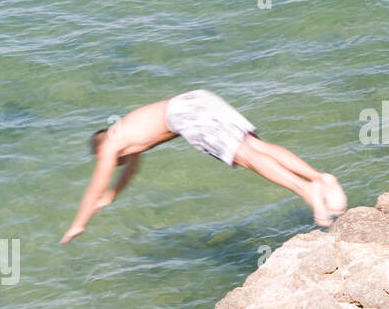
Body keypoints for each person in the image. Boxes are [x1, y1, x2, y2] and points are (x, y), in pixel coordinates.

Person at [61, 89, 347, 243]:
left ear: (101, 150)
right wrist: (113, 194)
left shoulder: (110, 145)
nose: (107, 164)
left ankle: (308, 192)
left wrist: (78, 224)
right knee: (255, 146)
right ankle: (320, 178)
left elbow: (92, 190)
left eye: (103, 161)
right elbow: (130, 171)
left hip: (188, 116)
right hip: (198, 100)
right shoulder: (126, 135)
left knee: (246, 156)